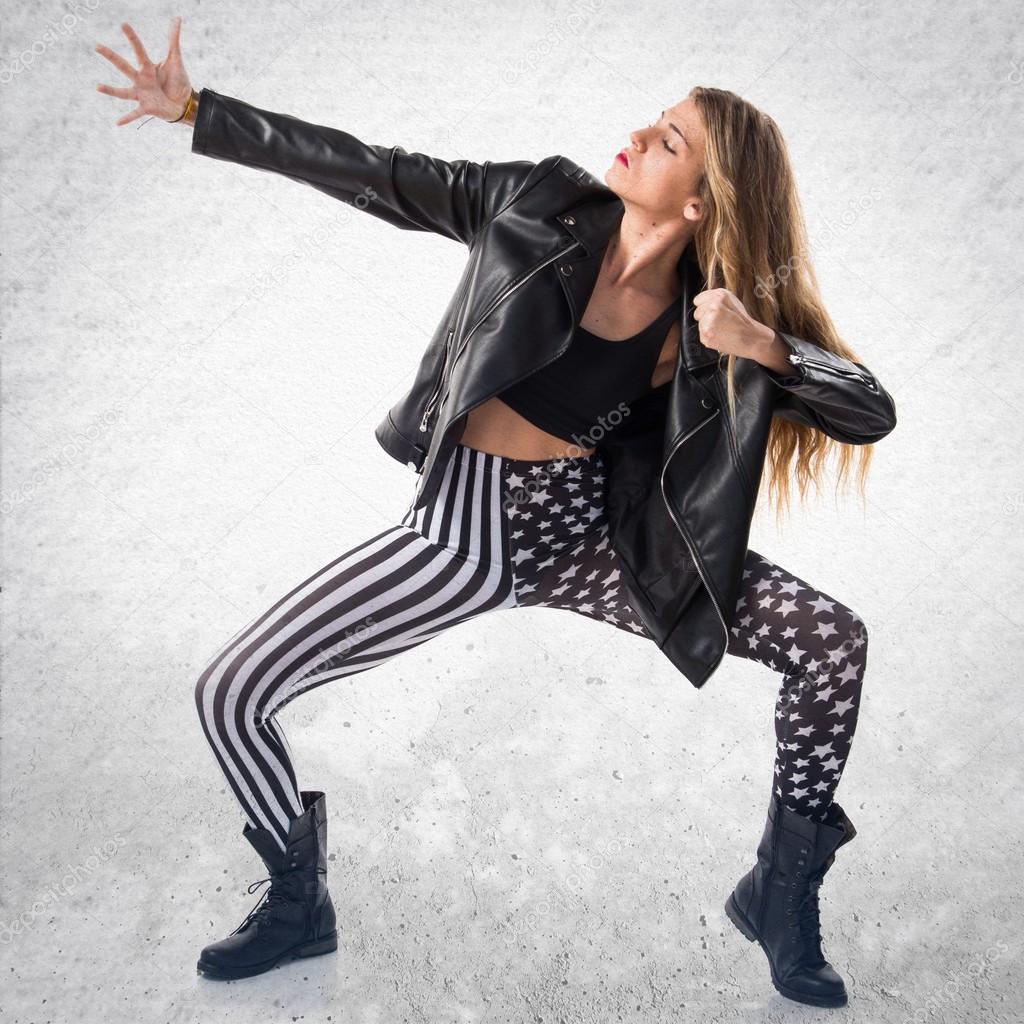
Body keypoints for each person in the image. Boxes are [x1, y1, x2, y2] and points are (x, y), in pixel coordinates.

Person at [96, 17, 896, 1006]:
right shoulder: (540, 201)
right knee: (229, 691)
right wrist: (199, 111)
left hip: (595, 541)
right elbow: (381, 173)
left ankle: (779, 893)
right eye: (650, 123)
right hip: (463, 536)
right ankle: (298, 898)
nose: (638, 138)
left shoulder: (711, 315)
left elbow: (869, 411)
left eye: (668, 140)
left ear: (698, 200)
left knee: (830, 640)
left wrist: (765, 346)